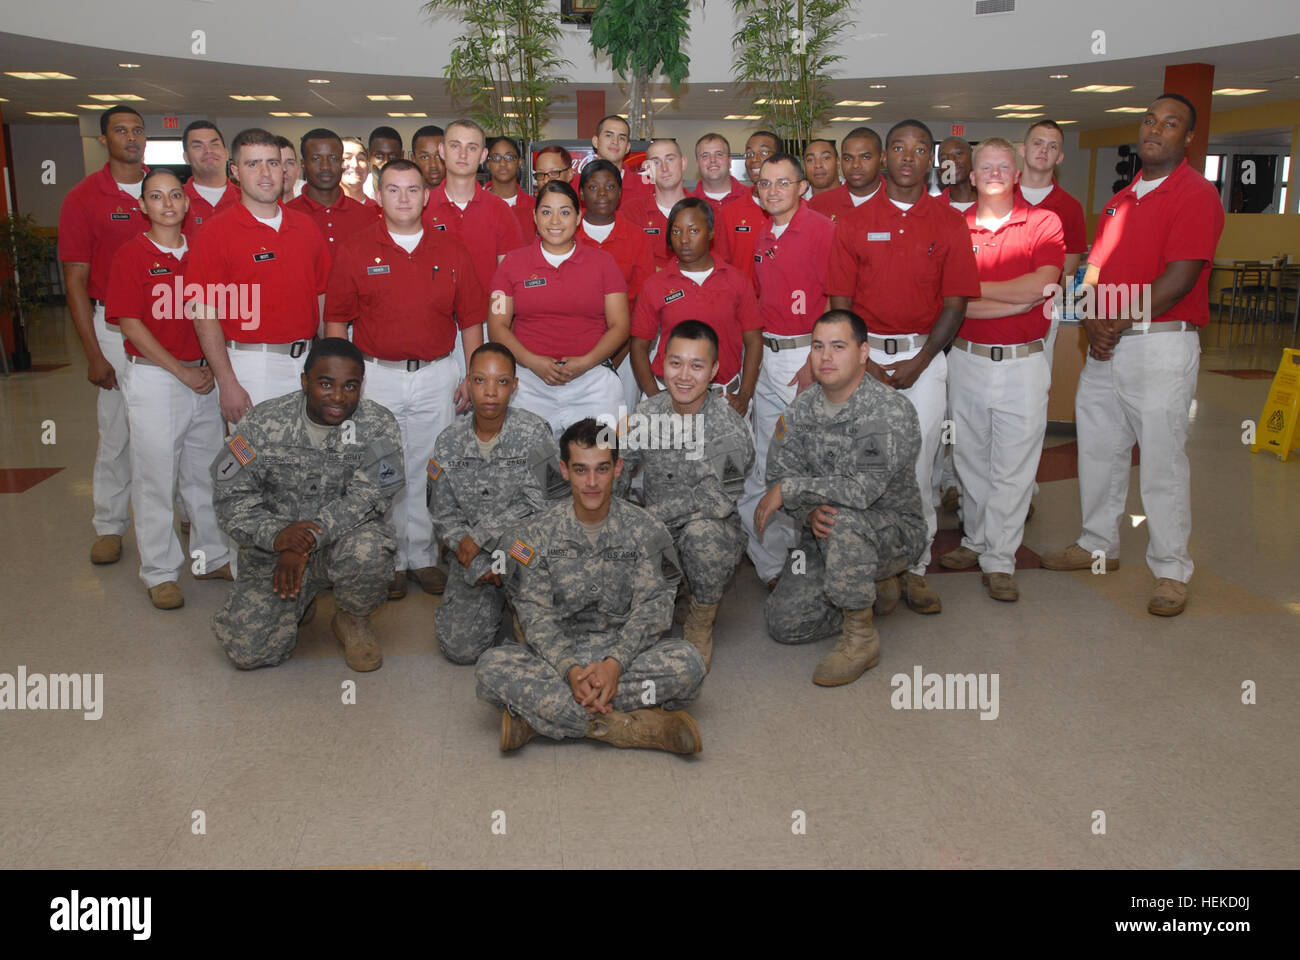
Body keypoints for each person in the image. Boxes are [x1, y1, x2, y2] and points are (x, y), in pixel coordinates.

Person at [1040, 94, 1224, 618]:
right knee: (1098, 449)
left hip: (1160, 343)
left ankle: (1170, 569)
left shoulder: (1195, 193)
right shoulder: (1121, 200)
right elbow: (1094, 271)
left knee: (1162, 460)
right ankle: (1098, 543)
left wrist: (1112, 323)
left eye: (1171, 124)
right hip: (1108, 341)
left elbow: (1179, 277)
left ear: (1186, 139)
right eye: (1150, 120)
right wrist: (1093, 320)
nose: (1155, 130)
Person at [475, 418, 705, 754]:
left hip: (626, 650)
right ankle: (624, 727)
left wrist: (614, 665)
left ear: (618, 469)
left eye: (602, 469)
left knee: (690, 665)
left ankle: (538, 720)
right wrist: (570, 670)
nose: (593, 482)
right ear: (564, 471)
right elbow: (536, 618)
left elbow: (653, 610)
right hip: (558, 655)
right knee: (489, 670)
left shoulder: (648, 530)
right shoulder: (536, 535)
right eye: (581, 470)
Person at [826, 119, 981, 616]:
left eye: (920, 150)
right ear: (885, 157)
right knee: (866, 464)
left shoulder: (949, 222)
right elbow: (839, 301)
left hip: (924, 358)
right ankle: (876, 565)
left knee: (919, 467)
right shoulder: (852, 221)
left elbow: (955, 304)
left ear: (931, 160)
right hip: (863, 361)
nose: (908, 157)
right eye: (898, 148)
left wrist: (920, 360)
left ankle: (914, 567)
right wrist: (862, 363)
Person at [324, 158, 487, 599]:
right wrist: (342, 384)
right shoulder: (356, 249)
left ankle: (422, 556)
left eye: (412, 189)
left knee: (428, 468)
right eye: (393, 190)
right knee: (382, 468)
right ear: (378, 195)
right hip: (378, 375)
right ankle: (389, 559)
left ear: (426, 195)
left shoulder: (451, 249)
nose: (403, 198)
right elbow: (336, 320)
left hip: (436, 374)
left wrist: (472, 376)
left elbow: (471, 320)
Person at [211, 338, 404, 672]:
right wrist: (278, 537)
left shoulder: (378, 424)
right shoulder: (262, 423)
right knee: (249, 653)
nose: (339, 397)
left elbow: (371, 496)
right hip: (274, 550)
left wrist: (304, 541)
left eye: (351, 386)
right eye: (325, 384)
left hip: (340, 542)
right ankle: (301, 599)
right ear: (305, 382)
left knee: (370, 550)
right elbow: (231, 498)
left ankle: (353, 619)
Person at [756, 310, 925, 686]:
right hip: (819, 536)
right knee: (785, 623)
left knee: (842, 517)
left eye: (838, 346)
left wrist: (793, 492)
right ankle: (868, 588)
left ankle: (861, 636)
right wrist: (807, 509)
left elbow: (862, 490)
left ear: (863, 352)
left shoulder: (886, 411)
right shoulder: (802, 408)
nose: (826, 357)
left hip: (891, 531)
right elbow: (778, 475)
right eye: (818, 346)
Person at [938, 138, 1064, 602]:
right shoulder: (954, 225)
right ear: (970, 177)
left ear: (1016, 175)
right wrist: (1014, 296)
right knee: (969, 457)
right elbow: (946, 299)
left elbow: (1042, 285)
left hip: (1024, 364)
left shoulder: (1042, 222)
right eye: (984, 167)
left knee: (1014, 464)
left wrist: (971, 293)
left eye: (1002, 166)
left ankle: (1001, 558)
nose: (993, 173)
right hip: (966, 358)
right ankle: (974, 540)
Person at [105, 168, 231, 609]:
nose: (168, 203)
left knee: (204, 475)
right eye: (156, 197)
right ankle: (159, 571)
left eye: (175, 194)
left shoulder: (200, 250)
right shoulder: (131, 255)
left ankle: (210, 556)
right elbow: (130, 324)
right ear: (142, 206)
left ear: (186, 202)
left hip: (204, 377)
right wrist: (181, 371)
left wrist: (211, 368)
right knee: (156, 478)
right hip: (158, 379)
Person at [619, 322, 755, 669]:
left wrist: (648, 520)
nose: (683, 375)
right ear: (661, 364)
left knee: (702, 537)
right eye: (675, 363)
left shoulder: (729, 427)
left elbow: (720, 499)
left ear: (713, 371)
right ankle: (669, 589)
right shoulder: (649, 413)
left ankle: (701, 616)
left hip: (707, 529)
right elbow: (619, 468)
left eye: (696, 366)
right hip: (658, 529)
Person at [738, 153, 837, 591]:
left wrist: (817, 360)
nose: (773, 190)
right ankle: (773, 563)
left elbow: (836, 299)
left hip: (806, 361)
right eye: (764, 183)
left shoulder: (821, 230)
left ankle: (825, 564)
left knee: (814, 462)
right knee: (766, 460)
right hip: (768, 358)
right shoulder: (763, 236)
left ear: (802, 188)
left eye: (783, 182)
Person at [428, 343, 561, 664]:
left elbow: (546, 501)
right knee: (460, 649)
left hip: (524, 552)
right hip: (472, 556)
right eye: (480, 381)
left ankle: (522, 604)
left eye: (501, 382)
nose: (490, 392)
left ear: (514, 387)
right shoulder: (448, 441)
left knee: (543, 643)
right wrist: (471, 556)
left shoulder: (533, 433)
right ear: (468, 383)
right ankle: (494, 597)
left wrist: (482, 534)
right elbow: (442, 512)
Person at [189, 128, 331, 424]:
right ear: (235, 171)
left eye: (273, 162)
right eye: (253, 164)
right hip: (251, 367)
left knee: (307, 462)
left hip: (307, 362)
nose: (265, 173)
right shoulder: (215, 234)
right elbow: (204, 313)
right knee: (255, 465)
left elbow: (321, 299)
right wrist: (226, 382)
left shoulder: (306, 227)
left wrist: (331, 361)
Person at [58, 104, 148, 566]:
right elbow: (75, 279)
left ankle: (191, 520)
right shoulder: (84, 197)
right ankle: (110, 526)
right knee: (118, 432)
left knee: (185, 428)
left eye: (137, 130)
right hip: (114, 329)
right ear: (103, 140)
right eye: (120, 131)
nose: (131, 138)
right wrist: (94, 353)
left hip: (174, 327)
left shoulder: (168, 189)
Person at [487, 181, 628, 436]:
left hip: (593, 383)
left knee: (602, 465)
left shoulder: (603, 263)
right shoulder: (511, 264)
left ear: (578, 217)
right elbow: (497, 327)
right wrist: (533, 362)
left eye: (564, 212)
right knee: (530, 469)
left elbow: (620, 326)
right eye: (546, 211)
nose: (554, 220)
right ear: (534, 216)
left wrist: (584, 363)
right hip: (528, 384)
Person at [630, 197, 762, 415]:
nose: (683, 240)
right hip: (669, 395)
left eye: (693, 231)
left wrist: (745, 394)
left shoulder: (737, 281)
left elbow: (754, 340)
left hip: (725, 397)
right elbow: (638, 347)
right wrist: (655, 398)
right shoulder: (655, 284)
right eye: (676, 231)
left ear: (710, 233)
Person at [423, 118, 523, 371]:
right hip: (433, 327)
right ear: (442, 151)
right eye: (455, 146)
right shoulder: (421, 207)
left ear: (483, 155)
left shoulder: (499, 211)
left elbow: (508, 281)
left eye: (471, 147)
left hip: (487, 327)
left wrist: (501, 325)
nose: (463, 154)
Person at [576, 158, 655, 411]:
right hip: (574, 351)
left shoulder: (636, 237)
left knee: (616, 427)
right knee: (578, 427)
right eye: (593, 187)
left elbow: (643, 302)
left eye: (610, 187)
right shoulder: (567, 234)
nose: (601, 194)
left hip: (625, 352)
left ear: (620, 193)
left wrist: (618, 350)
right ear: (580, 193)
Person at [1016, 119, 1089, 357]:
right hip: (996, 305)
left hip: (1045, 309)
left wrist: (1039, 302)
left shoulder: (1070, 207)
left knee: (1035, 386)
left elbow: (1067, 270)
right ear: (1023, 150)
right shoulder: (998, 197)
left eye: (1053, 146)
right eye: (1037, 143)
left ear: (1060, 158)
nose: (1044, 150)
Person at [287, 128, 378, 248]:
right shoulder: (286, 216)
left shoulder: (368, 217)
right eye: (316, 158)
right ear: (303, 163)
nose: (325, 166)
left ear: (341, 162)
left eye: (333, 158)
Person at [713, 130, 781, 283]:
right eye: (749, 154)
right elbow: (721, 268)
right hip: (744, 303)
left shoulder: (797, 210)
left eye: (763, 152)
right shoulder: (730, 213)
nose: (754, 159)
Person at [620, 138, 688, 271]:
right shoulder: (631, 212)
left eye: (670, 159)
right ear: (648, 169)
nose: (664, 168)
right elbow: (627, 264)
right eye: (656, 162)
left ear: (683, 163)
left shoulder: (704, 211)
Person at [810, 127, 883, 223]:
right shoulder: (818, 204)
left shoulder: (898, 201)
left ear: (882, 158)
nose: (855, 165)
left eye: (865, 157)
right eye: (848, 158)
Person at [180, 121, 238, 241]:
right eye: (198, 146)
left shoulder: (247, 199)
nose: (208, 150)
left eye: (214, 144)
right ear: (186, 158)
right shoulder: (174, 201)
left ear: (226, 154)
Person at [591, 114, 651, 206]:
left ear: (627, 147)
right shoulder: (577, 183)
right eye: (608, 135)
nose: (615, 142)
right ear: (596, 142)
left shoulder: (646, 189)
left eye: (622, 138)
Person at [485, 135, 535, 240]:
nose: (502, 163)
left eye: (509, 157)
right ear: (488, 164)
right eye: (496, 158)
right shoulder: (475, 203)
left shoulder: (533, 206)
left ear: (519, 162)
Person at [690, 132, 748, 214]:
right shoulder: (688, 203)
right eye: (705, 156)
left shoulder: (752, 198)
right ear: (697, 164)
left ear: (730, 161)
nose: (713, 160)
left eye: (719, 154)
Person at [936, 136, 976, 212]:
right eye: (944, 159)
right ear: (940, 172)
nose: (951, 161)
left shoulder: (992, 204)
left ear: (973, 158)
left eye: (958, 153)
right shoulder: (931, 207)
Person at [365, 125, 403, 199]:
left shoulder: (410, 189)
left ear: (401, 156)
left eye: (392, 157)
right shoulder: (359, 190)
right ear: (368, 155)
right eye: (379, 157)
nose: (386, 163)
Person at [410, 124, 447, 192]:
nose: (433, 165)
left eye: (438, 156)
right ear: (413, 159)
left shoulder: (464, 195)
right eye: (425, 157)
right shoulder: (405, 197)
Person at [340, 136, 372, 206]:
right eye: (347, 158)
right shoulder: (324, 209)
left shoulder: (379, 211)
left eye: (361, 159)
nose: (355, 165)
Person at [276, 135, 302, 201]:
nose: (284, 169)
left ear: (298, 170)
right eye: (276, 163)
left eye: (290, 163)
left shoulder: (307, 210)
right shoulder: (249, 210)